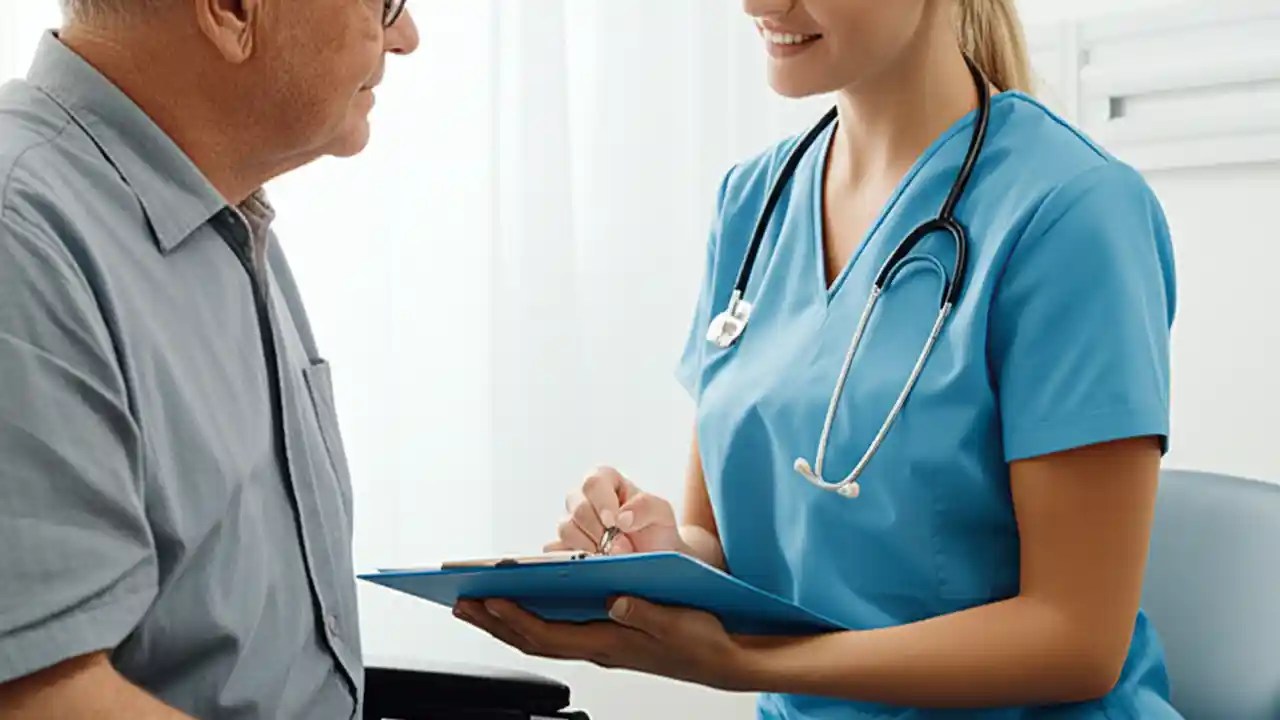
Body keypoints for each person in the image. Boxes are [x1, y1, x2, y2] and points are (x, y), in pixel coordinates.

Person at [454, 0, 1182, 718]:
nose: (758, 4)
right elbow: (730, 545)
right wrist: (659, 554)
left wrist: (744, 665)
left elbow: (1077, 639)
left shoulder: (1072, 213)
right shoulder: (753, 201)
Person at [0, 1, 417, 718]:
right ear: (230, 9)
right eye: (383, 4)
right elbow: (41, 701)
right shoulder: (24, 240)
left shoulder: (222, 218)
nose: (405, 38)